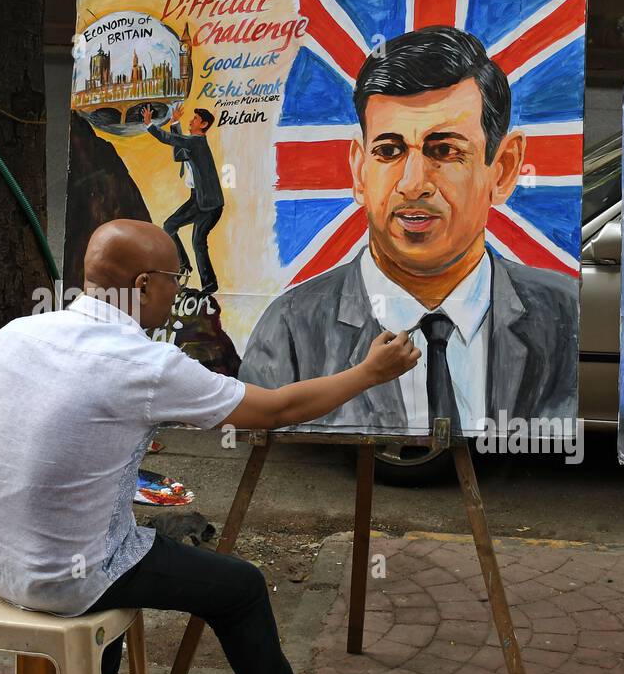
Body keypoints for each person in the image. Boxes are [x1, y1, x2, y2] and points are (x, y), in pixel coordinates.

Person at [0, 219, 420, 674]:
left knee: (115, 559)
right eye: (177, 280)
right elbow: (275, 410)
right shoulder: (147, 365)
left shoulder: (15, 334)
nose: (179, 295)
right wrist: (368, 373)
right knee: (239, 588)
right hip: (65, 578)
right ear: (147, 283)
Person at [239, 26, 577, 435]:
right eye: (389, 151)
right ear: (360, 170)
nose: (413, 183)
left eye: (445, 150)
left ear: (502, 170)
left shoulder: (566, 316)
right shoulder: (290, 329)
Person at [141, 104, 223, 295]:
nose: (191, 121)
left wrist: (150, 125)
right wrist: (175, 122)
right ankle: (189, 270)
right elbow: (178, 153)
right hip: (201, 200)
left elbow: (169, 139)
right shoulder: (193, 144)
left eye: (195, 120)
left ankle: (199, 278)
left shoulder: (196, 142)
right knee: (176, 229)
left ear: (202, 125)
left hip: (208, 204)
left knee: (192, 238)